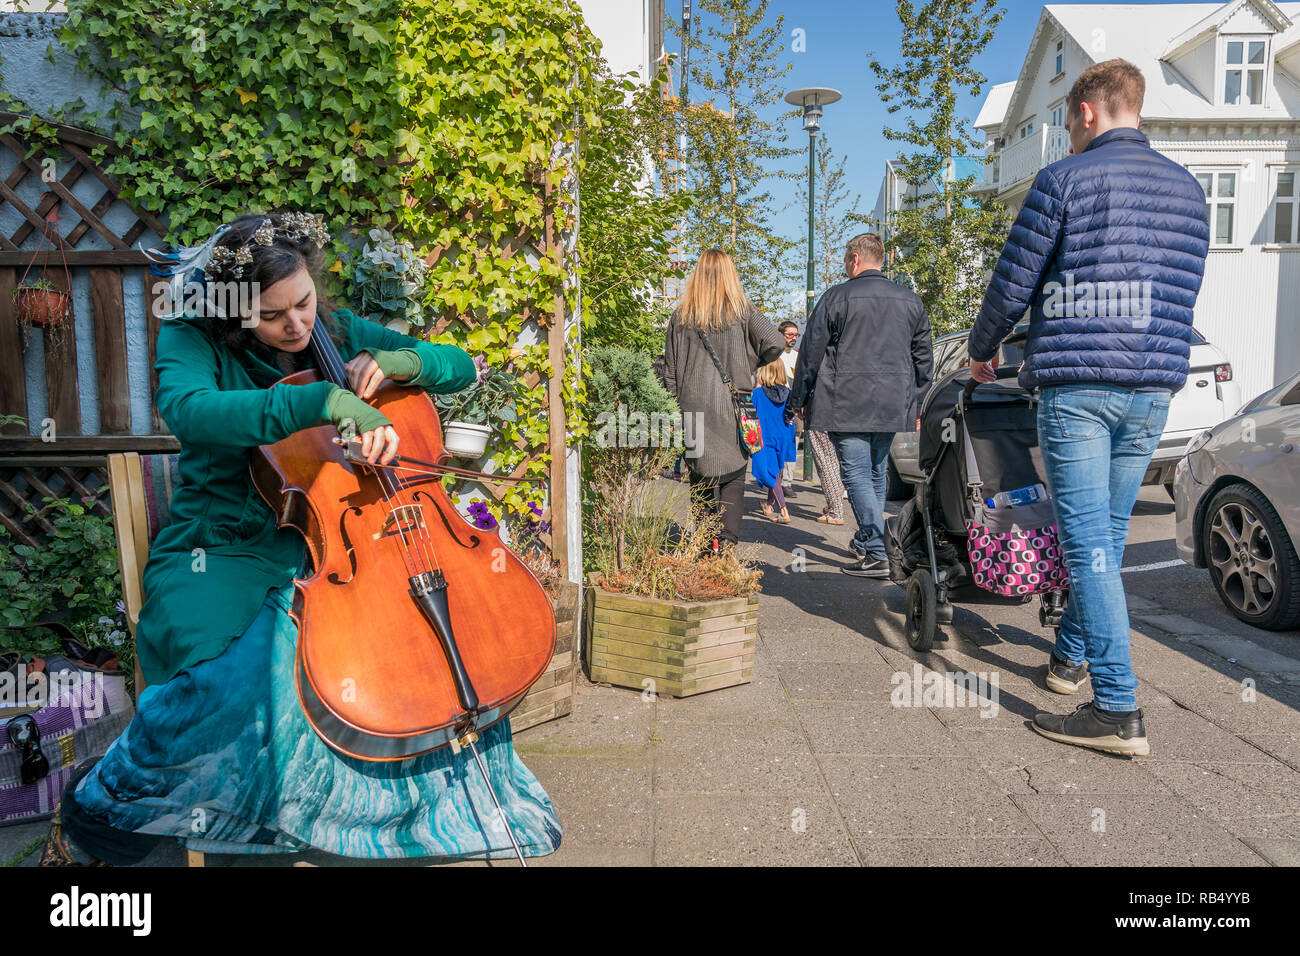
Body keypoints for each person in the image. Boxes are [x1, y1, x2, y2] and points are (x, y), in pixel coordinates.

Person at [42, 211, 562, 865]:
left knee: (417, 655)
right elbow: (189, 408)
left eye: (305, 302)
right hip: (222, 545)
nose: (298, 326)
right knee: (236, 680)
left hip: (333, 543)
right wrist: (322, 403)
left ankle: (399, 821)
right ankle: (132, 815)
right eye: (273, 315)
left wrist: (401, 360)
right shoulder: (192, 337)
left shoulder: (333, 331)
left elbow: (460, 368)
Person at [967, 59, 1210, 757]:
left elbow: (1013, 281)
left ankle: (1117, 707)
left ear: (1085, 112)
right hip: (1152, 388)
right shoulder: (1189, 191)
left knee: (1089, 546)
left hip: (1079, 387)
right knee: (1103, 534)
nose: (1068, 131)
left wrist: (983, 352)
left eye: (1068, 120)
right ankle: (1069, 660)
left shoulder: (1065, 181)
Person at [787, 233, 932, 577]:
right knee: (875, 471)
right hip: (892, 402)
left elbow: (810, 353)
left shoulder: (837, 297)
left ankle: (880, 550)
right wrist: (919, 403)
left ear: (854, 258)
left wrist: (798, 399)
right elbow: (923, 358)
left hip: (846, 400)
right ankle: (872, 544)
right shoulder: (910, 301)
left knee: (855, 473)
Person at [662, 248, 785, 551]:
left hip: (693, 409)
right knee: (733, 479)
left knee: (700, 478)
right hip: (733, 408)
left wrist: (675, 414)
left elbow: (671, 373)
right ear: (731, 275)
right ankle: (727, 546)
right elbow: (776, 341)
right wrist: (749, 363)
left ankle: (705, 545)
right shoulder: (743, 311)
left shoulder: (681, 316)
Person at [750, 359, 797, 523]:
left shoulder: (758, 394)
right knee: (776, 470)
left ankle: (784, 511)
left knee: (770, 473)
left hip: (765, 437)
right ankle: (769, 506)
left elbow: (750, 417)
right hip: (784, 436)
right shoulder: (788, 394)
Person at [777, 321, 801, 483]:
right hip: (777, 402)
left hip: (794, 401)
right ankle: (776, 479)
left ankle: (787, 481)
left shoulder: (798, 356)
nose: (793, 338)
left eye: (796, 335)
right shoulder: (774, 355)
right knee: (778, 441)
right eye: (790, 335)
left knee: (794, 440)